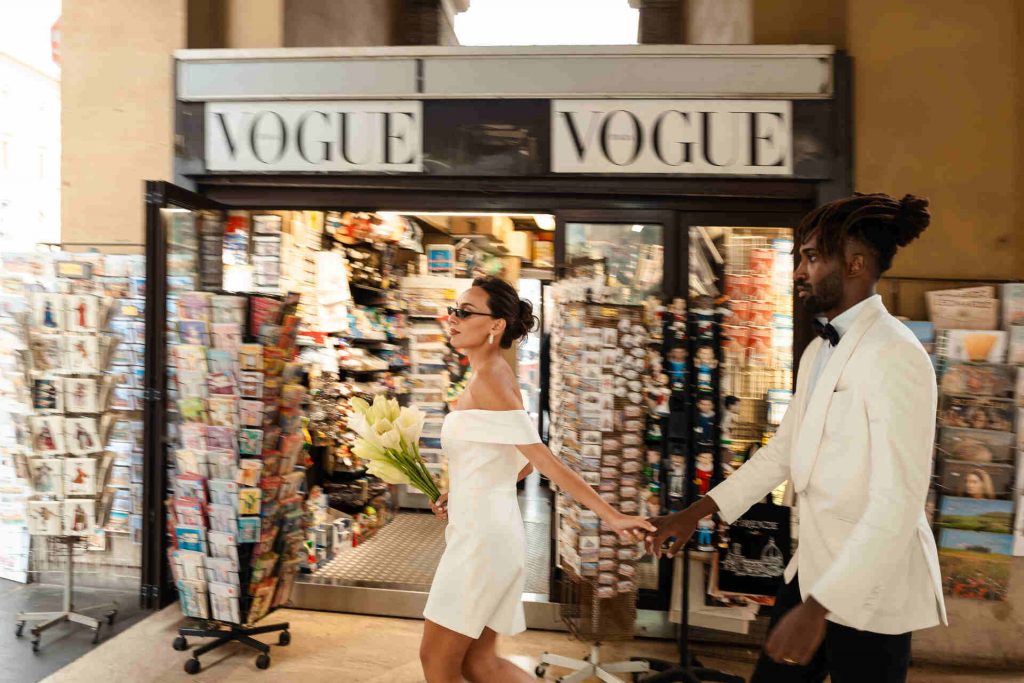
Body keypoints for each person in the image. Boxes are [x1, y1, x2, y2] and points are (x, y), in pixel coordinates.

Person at [646, 193, 947, 683]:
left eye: (811, 257)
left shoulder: (896, 354)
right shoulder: (817, 352)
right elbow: (782, 453)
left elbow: (899, 500)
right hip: (811, 572)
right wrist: (695, 512)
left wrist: (819, 608)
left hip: (870, 588)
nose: (798, 272)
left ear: (854, 264)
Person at [420, 276, 654, 683]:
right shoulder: (493, 375)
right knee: (480, 663)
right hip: (484, 530)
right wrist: (461, 487)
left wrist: (610, 516)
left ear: (495, 326)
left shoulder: (491, 379)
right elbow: (519, 464)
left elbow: (542, 460)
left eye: (465, 312)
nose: (453, 318)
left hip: (482, 541)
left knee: (437, 663)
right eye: (454, 309)